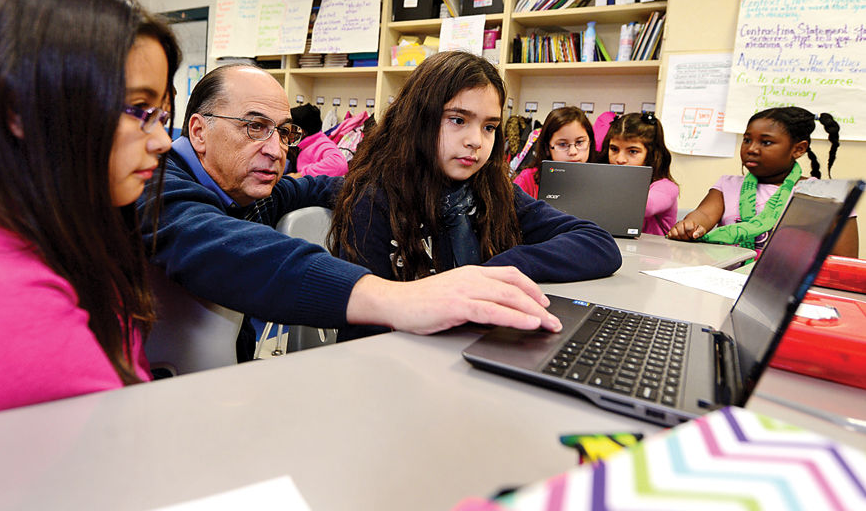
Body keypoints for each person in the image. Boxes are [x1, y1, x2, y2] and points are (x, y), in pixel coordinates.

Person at [141, 63, 564, 362]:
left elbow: (312, 186)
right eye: (254, 127)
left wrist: (389, 191)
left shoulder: (249, 189)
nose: (276, 149)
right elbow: (232, 250)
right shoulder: (155, 184)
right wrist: (399, 297)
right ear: (197, 131)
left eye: (284, 132)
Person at [0, 0, 178, 416]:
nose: (163, 140)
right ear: (20, 109)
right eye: (139, 109)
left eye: (161, 113)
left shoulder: (52, 231)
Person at [328, 51, 623, 341]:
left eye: (489, 127)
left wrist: (499, 271)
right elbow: (363, 333)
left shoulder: (492, 190)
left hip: (476, 347)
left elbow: (598, 244)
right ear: (418, 119)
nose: (476, 141)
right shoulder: (374, 201)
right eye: (458, 120)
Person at [667, 107, 858, 256]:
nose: (751, 149)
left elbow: (844, 261)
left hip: (783, 293)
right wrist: (690, 226)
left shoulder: (827, 196)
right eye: (747, 140)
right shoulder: (728, 185)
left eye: (766, 142)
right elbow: (704, 216)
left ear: (798, 149)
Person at [602, 112, 679, 236]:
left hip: (653, 254)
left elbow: (644, 207)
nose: (620, 159)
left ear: (651, 154)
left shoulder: (666, 187)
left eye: (632, 151)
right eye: (614, 149)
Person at [513, 106, 595, 198]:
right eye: (563, 144)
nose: (573, 152)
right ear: (547, 148)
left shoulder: (598, 179)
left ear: (590, 143)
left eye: (579, 142)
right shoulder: (527, 179)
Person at [285, 102, 348, 178]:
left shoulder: (322, 144)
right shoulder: (306, 144)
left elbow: (339, 165)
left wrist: (300, 175)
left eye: (290, 128)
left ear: (301, 131)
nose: (288, 132)